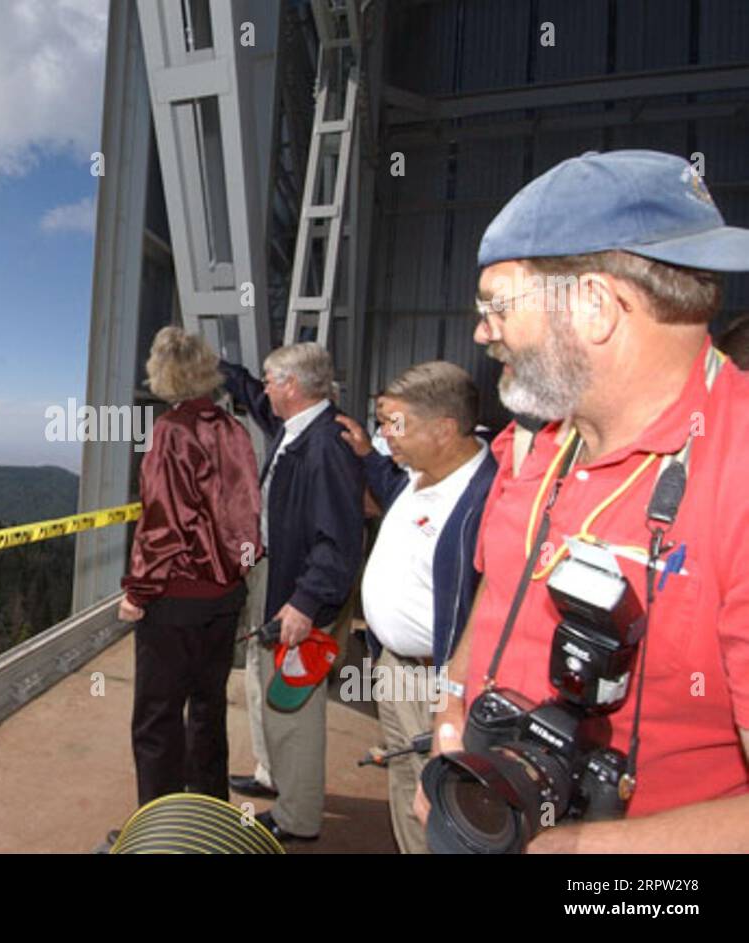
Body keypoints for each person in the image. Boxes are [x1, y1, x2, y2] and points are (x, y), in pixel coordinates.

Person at [418, 149, 749, 852]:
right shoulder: (536, 440)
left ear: (596, 305)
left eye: (498, 304)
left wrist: (581, 856)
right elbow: (500, 588)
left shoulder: (737, 473)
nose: (482, 331)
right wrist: (452, 714)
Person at [334, 362, 496, 853]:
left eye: (395, 425)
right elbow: (386, 478)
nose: (386, 435)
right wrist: (367, 453)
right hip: (394, 669)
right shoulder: (415, 474)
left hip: (440, 685)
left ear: (445, 429)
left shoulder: (487, 499)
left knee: (444, 805)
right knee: (406, 783)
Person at [219, 342, 364, 842]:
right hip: (278, 578)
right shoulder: (297, 427)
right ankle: (275, 779)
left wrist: (304, 602)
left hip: (299, 591)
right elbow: (255, 402)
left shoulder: (326, 446)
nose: (263, 389)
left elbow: (339, 540)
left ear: (292, 386)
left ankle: (297, 818)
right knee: (264, 680)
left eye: (268, 380)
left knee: (293, 706)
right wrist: (220, 370)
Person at [117, 326, 261, 807]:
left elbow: (163, 524)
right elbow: (246, 510)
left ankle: (160, 829)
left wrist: (138, 592)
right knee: (207, 707)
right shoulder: (233, 429)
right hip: (226, 597)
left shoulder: (172, 431)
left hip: (176, 598)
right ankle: (208, 818)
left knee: (157, 719)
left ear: (163, 373)